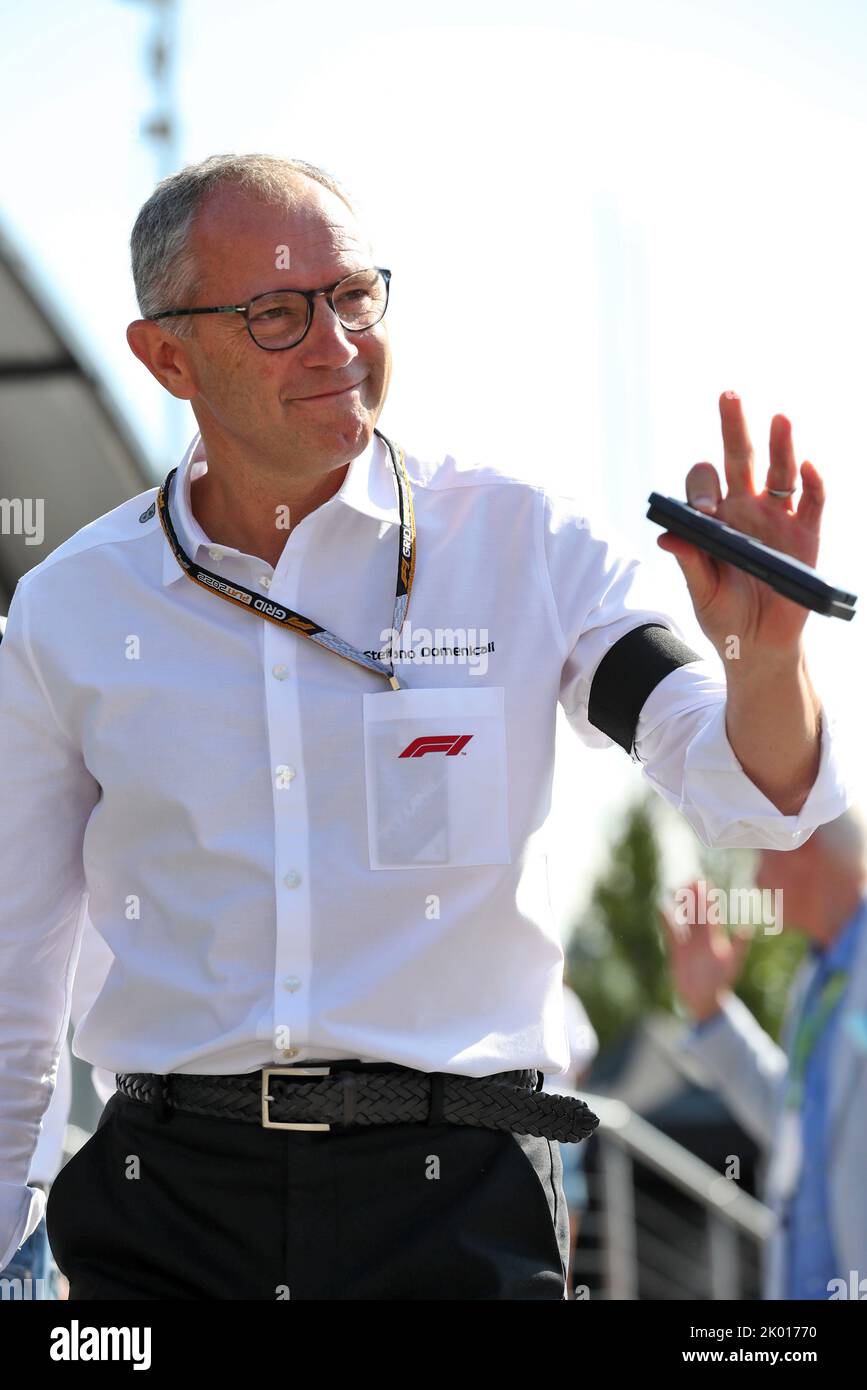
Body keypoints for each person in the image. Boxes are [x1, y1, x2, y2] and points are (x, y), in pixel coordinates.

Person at [0, 152, 853, 1301]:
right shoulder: (70, 607)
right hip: (165, 1214)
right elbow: (16, 993)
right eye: (277, 313)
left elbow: (749, 789)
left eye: (354, 296)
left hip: (458, 1208)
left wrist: (765, 656)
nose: (338, 343)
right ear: (166, 354)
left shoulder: (525, 545)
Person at [660, 806, 867, 1299]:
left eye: (762, 855)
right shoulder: (818, 980)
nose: (755, 877)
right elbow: (796, 1123)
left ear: (804, 850)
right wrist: (711, 1012)